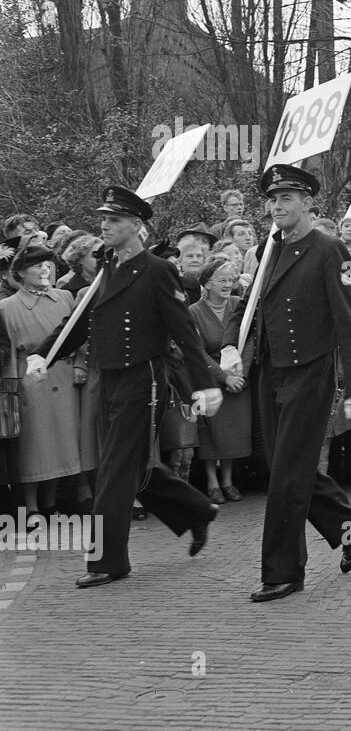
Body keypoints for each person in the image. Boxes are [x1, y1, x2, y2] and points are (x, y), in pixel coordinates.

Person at [28, 187, 223, 586]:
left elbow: (183, 331)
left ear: (137, 225)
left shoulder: (156, 270)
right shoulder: (107, 268)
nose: (104, 225)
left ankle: (107, 560)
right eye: (103, 218)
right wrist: (43, 354)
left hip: (143, 379)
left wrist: (202, 385)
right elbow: (81, 322)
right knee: (128, 467)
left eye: (114, 220)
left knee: (114, 471)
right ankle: (194, 509)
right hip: (108, 376)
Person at [220, 164, 351, 602]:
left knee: (287, 475)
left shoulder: (329, 251)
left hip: (310, 371)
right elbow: (249, 310)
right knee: (286, 467)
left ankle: (282, 572)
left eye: (286, 198)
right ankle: (349, 522)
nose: (276, 207)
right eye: (271, 200)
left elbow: (349, 325)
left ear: (308, 202)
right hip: (271, 372)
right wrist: (233, 345)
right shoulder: (270, 250)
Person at [1, 245, 81, 516]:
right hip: (31, 382)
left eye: (47, 264)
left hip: (65, 377)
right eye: (37, 265)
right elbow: (9, 352)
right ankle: (32, 506)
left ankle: (51, 502)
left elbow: (80, 338)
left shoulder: (65, 297)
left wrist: (80, 366)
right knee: (34, 447)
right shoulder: (6, 307)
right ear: (20, 273)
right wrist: (12, 392)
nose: (44, 269)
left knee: (64, 444)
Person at [190, 259, 251, 503]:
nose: (228, 285)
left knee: (233, 433)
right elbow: (197, 351)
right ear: (206, 283)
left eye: (231, 280)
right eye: (222, 280)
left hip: (239, 379)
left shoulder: (238, 306)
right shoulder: (193, 312)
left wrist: (240, 374)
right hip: (208, 380)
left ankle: (227, 480)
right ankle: (212, 482)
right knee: (210, 433)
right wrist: (223, 377)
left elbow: (249, 341)